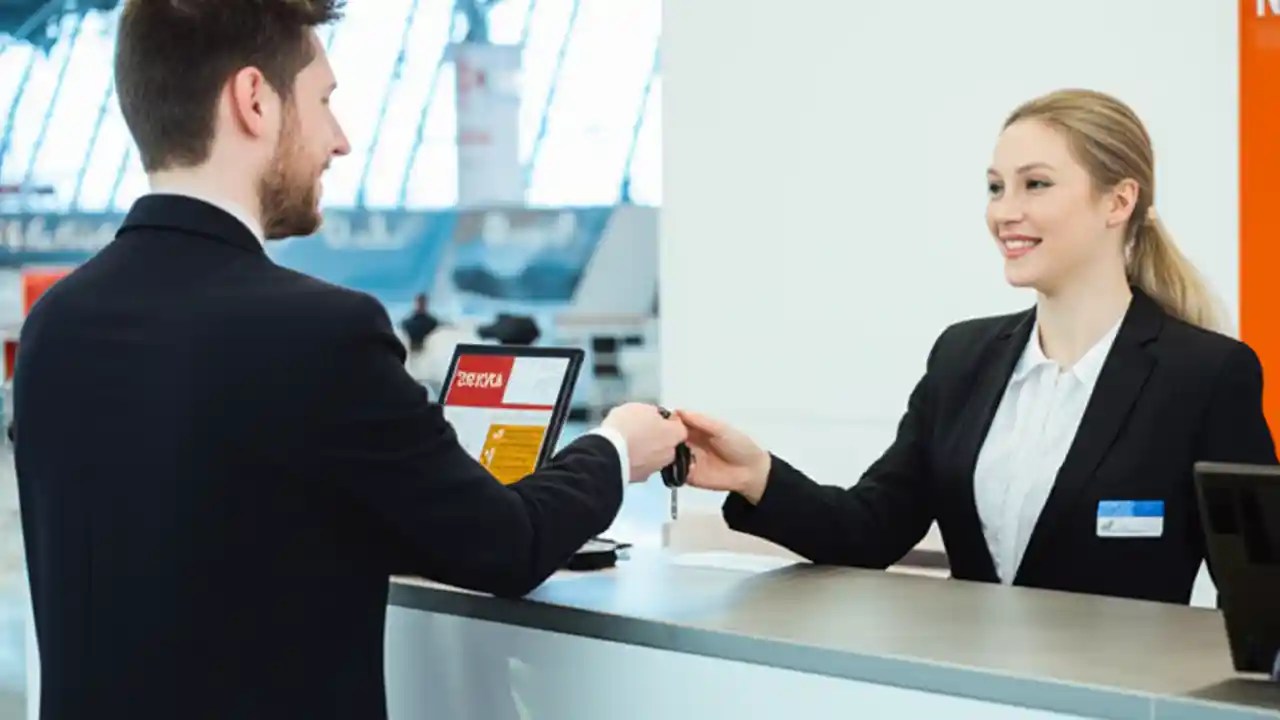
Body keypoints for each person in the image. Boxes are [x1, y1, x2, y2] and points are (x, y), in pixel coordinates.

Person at [11, 2, 686, 719]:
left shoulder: (56, 327)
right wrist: (618, 447)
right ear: (253, 101)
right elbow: (505, 546)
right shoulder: (320, 332)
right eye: (325, 101)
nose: (341, 141)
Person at [679, 88, 1277, 606]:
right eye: (996, 188)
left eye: (1035, 185)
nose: (1004, 213)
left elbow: (1263, 584)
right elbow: (869, 531)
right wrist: (755, 475)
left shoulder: (1205, 376)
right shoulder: (963, 358)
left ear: (1119, 201)